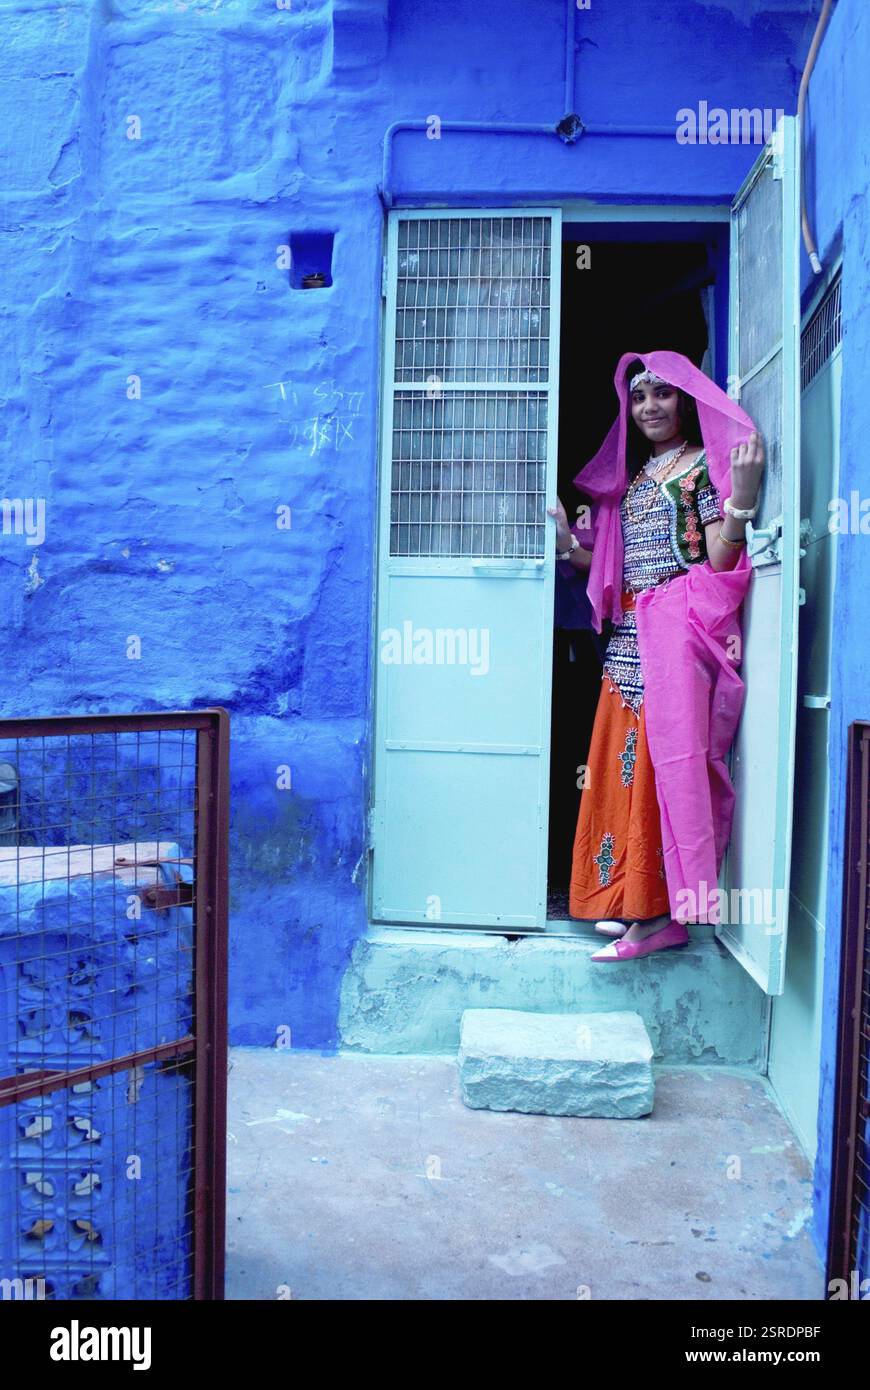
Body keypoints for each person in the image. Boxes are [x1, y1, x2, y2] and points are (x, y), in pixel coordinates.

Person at [547, 352, 765, 961]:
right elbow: (621, 569)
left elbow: (718, 564)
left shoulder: (700, 472)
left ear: (686, 400)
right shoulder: (638, 481)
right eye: (639, 397)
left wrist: (741, 503)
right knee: (622, 771)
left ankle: (661, 917)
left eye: (662, 395)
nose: (650, 407)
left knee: (665, 776)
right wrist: (569, 547)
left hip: (675, 643)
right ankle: (627, 901)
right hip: (629, 645)